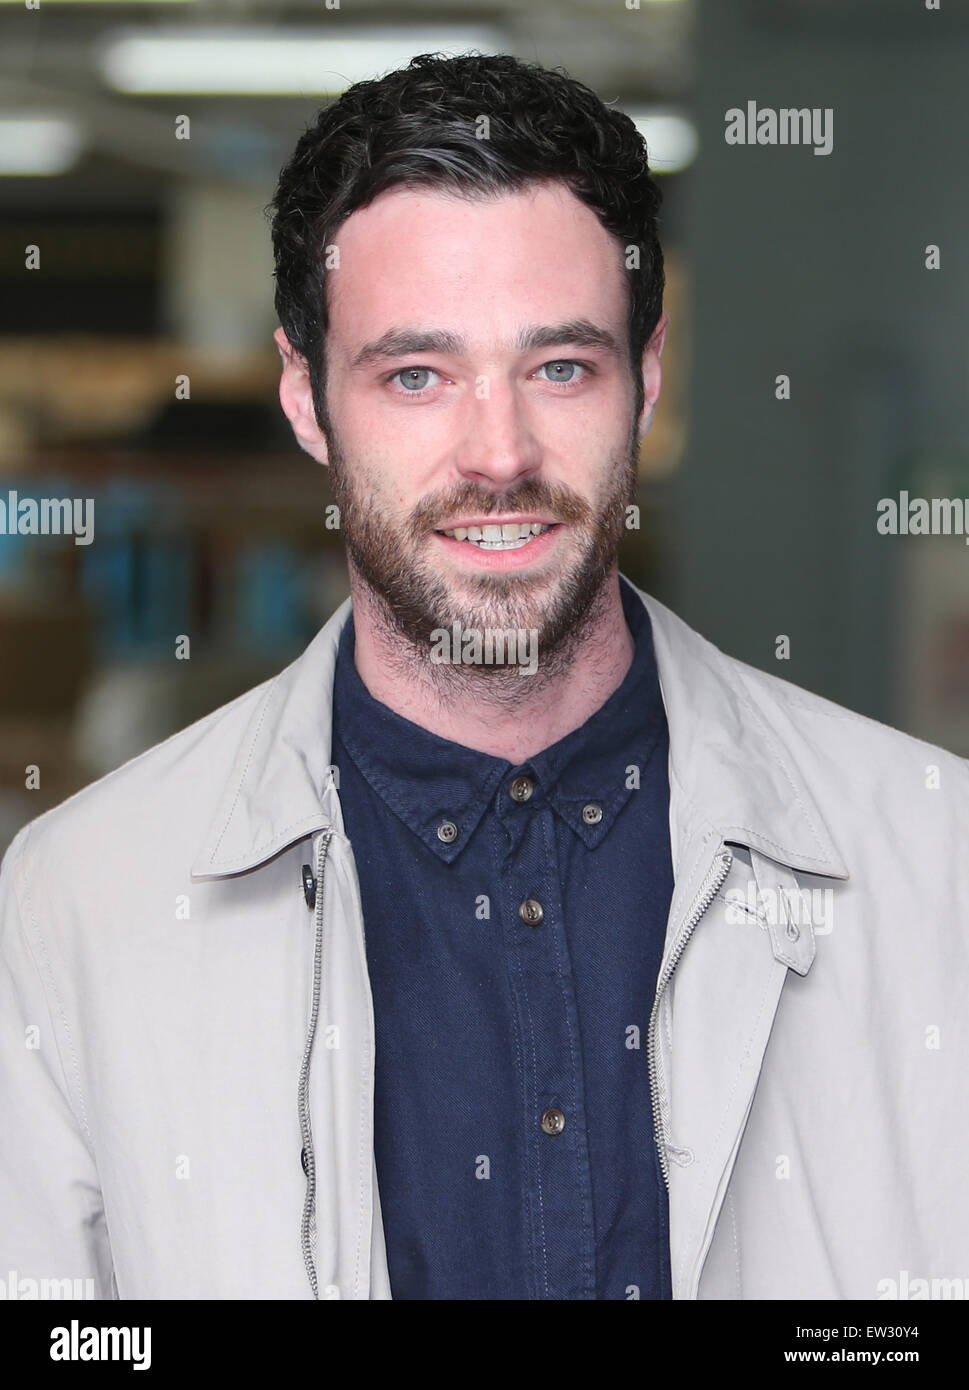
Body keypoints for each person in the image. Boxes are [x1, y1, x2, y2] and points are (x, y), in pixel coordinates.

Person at [2, 51, 968, 1303]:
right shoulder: (79, 907)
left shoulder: (934, 862)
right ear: (307, 398)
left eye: (559, 366)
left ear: (648, 376)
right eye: (417, 374)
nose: (499, 453)